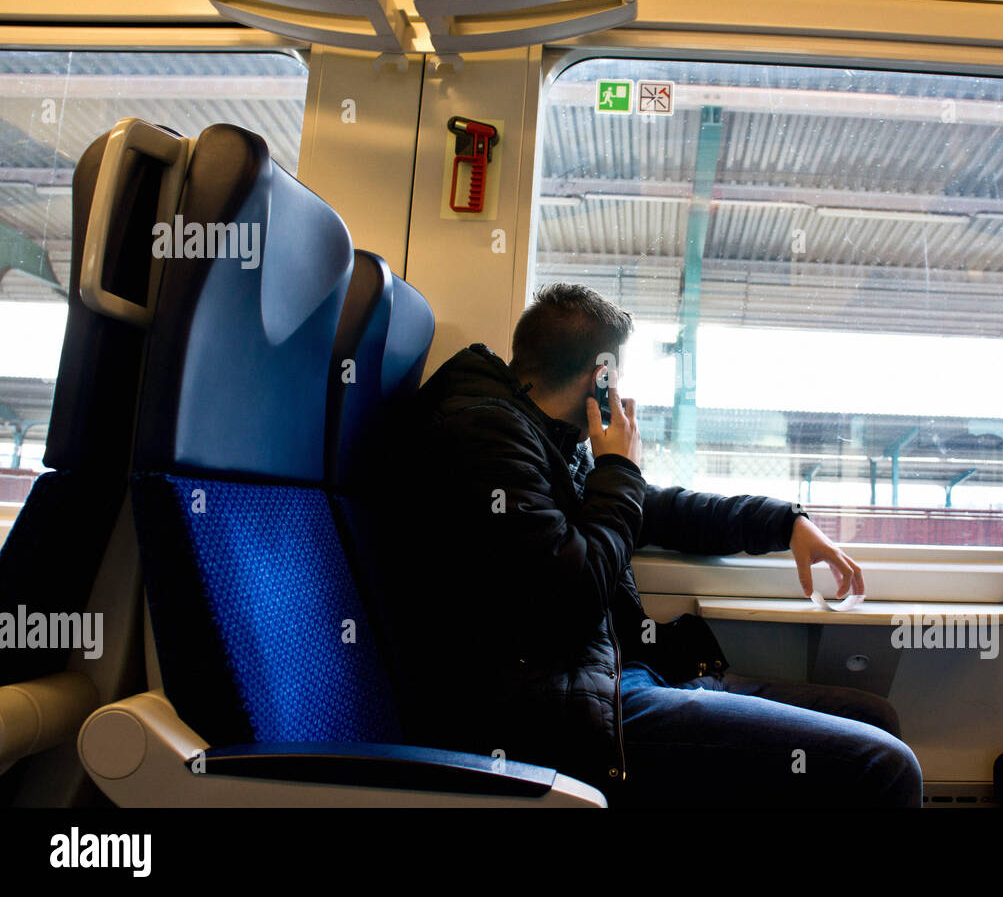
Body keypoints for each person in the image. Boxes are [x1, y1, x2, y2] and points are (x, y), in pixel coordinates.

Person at [382, 283, 922, 807]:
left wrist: (782, 523)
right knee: (885, 766)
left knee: (874, 719)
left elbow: (654, 509)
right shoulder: (483, 438)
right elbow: (572, 594)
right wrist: (618, 466)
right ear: (601, 376)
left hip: (611, 675)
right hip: (567, 715)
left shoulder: (539, 434)